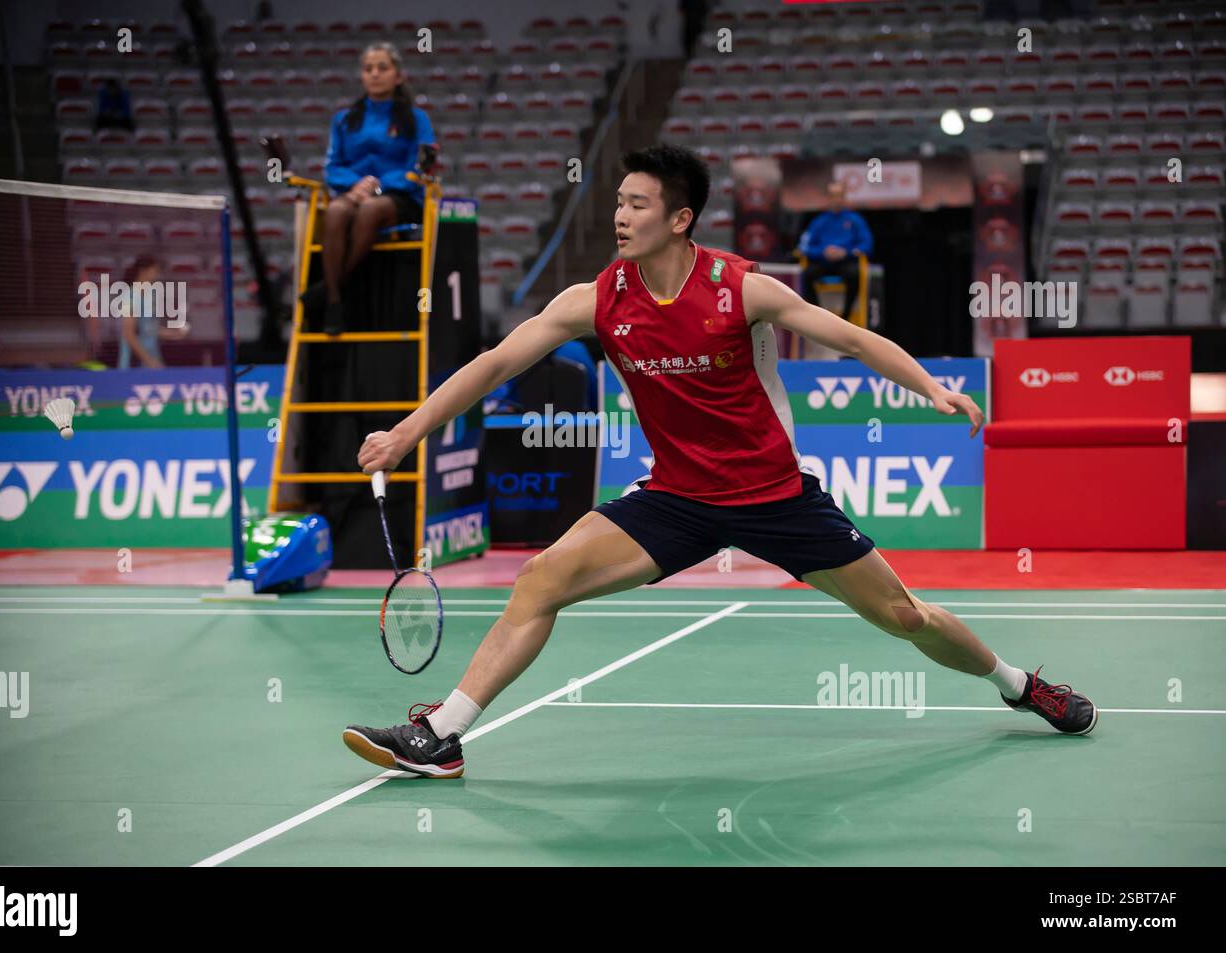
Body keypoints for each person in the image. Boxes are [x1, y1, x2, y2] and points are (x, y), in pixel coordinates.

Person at [345, 145, 1096, 779]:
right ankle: (442, 734)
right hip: (676, 498)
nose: (620, 216)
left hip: (776, 495)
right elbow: (494, 363)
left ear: (680, 219)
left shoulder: (740, 290)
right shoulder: (598, 299)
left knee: (906, 616)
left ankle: (1019, 685)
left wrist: (931, 386)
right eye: (617, 202)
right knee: (542, 579)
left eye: (638, 205)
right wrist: (410, 430)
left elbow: (854, 339)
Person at [309, 41, 436, 335]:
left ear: (398, 75)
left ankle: (329, 287)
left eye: (383, 67)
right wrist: (355, 185)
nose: (375, 74)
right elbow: (332, 167)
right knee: (336, 211)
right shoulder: (343, 119)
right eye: (368, 69)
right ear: (362, 76)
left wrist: (378, 184)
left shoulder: (416, 118)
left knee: (370, 208)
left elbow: (421, 165)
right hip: (354, 193)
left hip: (400, 198)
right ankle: (334, 301)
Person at [796, 180, 873, 321]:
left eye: (839, 195)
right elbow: (804, 247)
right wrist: (822, 252)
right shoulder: (818, 221)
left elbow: (866, 244)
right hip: (823, 262)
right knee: (806, 274)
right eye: (832, 195)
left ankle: (845, 317)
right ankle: (819, 316)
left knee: (854, 274)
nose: (836, 199)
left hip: (845, 262)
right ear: (828, 198)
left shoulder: (855, 220)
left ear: (844, 197)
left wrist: (846, 252)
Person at [117, 255, 188, 369]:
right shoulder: (129, 297)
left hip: (153, 359)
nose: (158, 274)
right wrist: (149, 361)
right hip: (135, 363)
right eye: (155, 270)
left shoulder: (152, 296)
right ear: (143, 271)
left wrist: (174, 334)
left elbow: (149, 328)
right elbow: (128, 333)